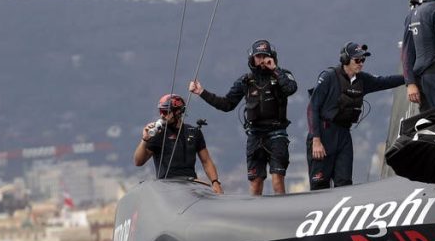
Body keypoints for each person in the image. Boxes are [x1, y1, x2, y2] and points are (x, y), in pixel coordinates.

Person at [189, 39, 297, 195]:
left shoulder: (282, 75)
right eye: (258, 56)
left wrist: (275, 69)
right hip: (254, 136)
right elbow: (226, 104)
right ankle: (256, 216)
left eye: (265, 56)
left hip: (277, 134)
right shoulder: (245, 81)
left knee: (277, 180)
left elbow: (291, 89)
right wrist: (201, 92)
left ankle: (280, 214)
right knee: (255, 183)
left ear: (272, 57)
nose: (261, 60)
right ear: (252, 58)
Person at [307, 42, 405, 190]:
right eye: (357, 60)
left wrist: (410, 77)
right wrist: (316, 139)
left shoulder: (362, 79)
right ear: (346, 59)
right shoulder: (328, 77)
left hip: (344, 134)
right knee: (319, 183)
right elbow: (312, 108)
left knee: (344, 183)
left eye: (363, 60)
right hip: (324, 133)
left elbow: (385, 81)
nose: (361, 64)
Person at [133, 94, 223, 193]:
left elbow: (206, 161)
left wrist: (215, 182)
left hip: (191, 186)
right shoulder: (158, 133)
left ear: (178, 112)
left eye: (165, 111)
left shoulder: (194, 132)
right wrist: (145, 139)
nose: (162, 115)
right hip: (166, 188)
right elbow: (138, 162)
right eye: (160, 111)